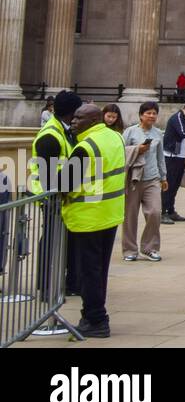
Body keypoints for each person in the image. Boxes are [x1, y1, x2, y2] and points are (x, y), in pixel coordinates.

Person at [61, 102, 125, 338]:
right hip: (110, 213)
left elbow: (65, 184)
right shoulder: (115, 137)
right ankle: (95, 316)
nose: (74, 122)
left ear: (93, 121)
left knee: (89, 272)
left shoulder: (85, 147)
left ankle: (96, 318)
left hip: (88, 217)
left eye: (79, 118)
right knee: (100, 270)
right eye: (74, 118)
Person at [27, 89, 79, 299]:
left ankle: (62, 281)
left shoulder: (62, 130)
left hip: (61, 196)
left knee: (61, 240)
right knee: (51, 240)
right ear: (71, 113)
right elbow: (48, 174)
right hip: (52, 197)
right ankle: (46, 285)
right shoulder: (50, 136)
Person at [122, 101, 166, 260]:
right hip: (133, 178)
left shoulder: (158, 133)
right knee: (130, 216)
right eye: (148, 113)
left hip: (152, 178)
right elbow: (121, 152)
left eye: (154, 113)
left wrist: (163, 176)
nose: (152, 116)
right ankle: (129, 250)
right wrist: (137, 149)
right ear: (141, 115)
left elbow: (160, 156)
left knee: (155, 212)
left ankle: (149, 247)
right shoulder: (130, 132)